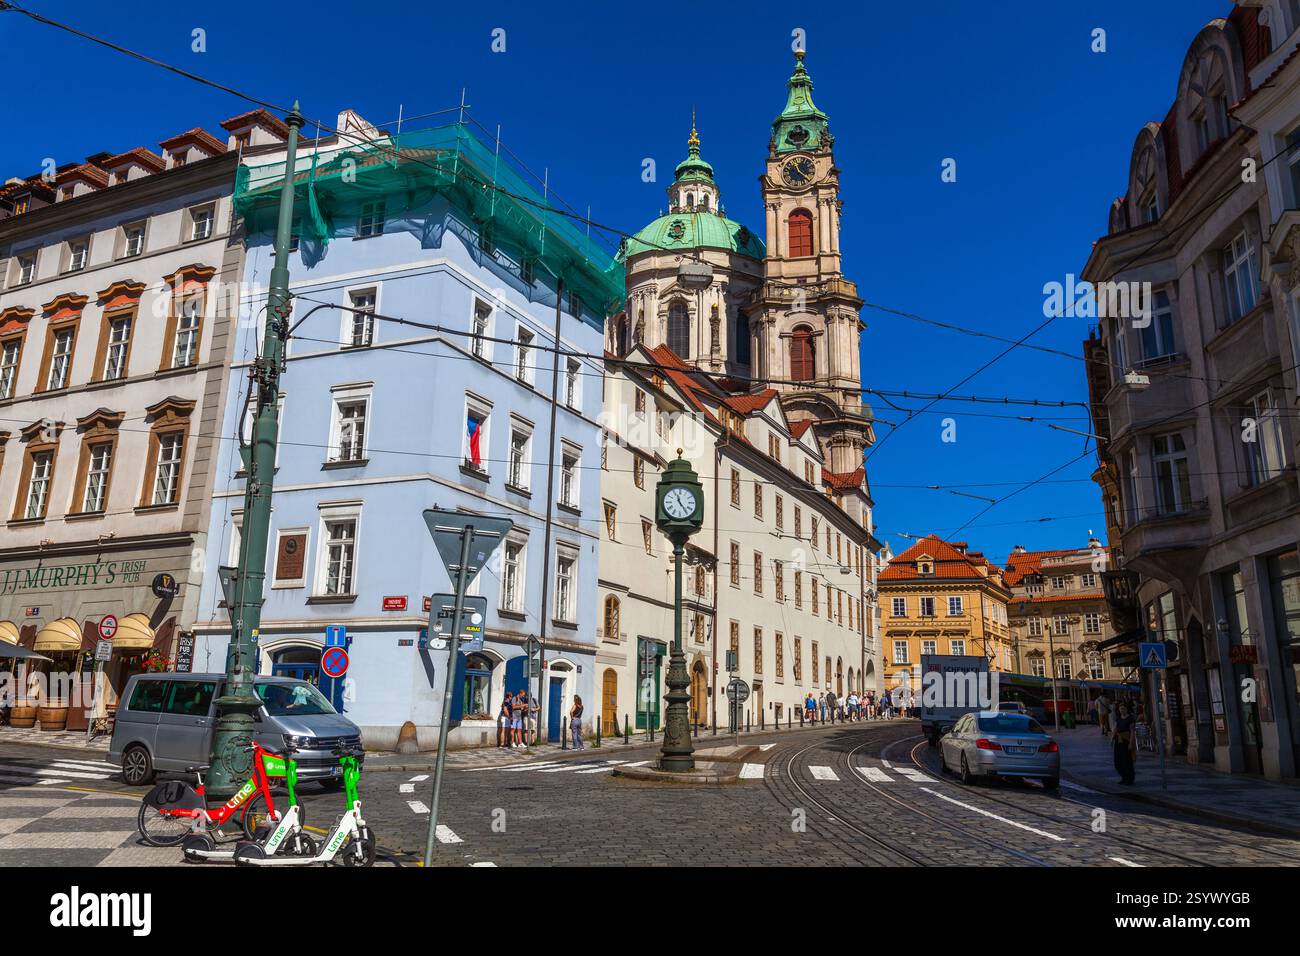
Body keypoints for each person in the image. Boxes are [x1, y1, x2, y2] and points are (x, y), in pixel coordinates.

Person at [1112, 701, 1137, 784]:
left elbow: (1132, 731)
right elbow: (1115, 728)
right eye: (1120, 709)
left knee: (1127, 760)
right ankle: (1123, 777)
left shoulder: (1130, 718)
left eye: (1123, 709)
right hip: (1118, 741)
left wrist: (1131, 743)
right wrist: (1112, 738)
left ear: (1126, 709)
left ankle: (1129, 779)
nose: (1121, 710)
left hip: (1126, 741)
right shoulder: (1118, 718)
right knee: (1118, 761)